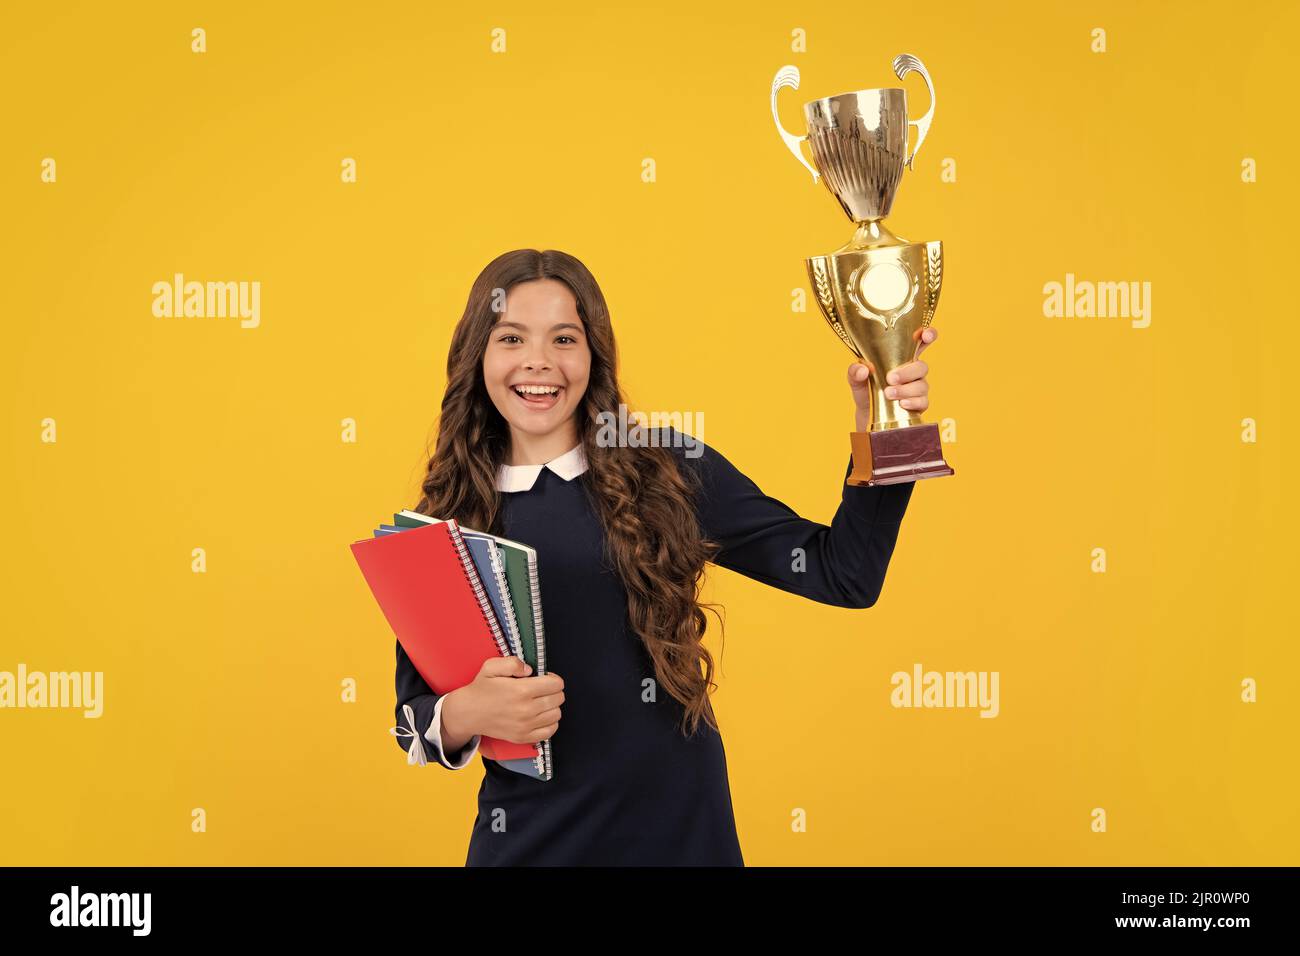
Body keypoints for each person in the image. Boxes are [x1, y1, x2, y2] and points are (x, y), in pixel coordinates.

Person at [392, 248, 936, 865]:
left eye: (564, 338)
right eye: (511, 338)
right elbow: (415, 720)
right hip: (529, 844)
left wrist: (887, 431)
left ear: (594, 353)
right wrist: (467, 711)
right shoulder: (446, 518)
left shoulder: (667, 468)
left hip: (680, 838)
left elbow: (845, 573)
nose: (538, 362)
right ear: (478, 355)